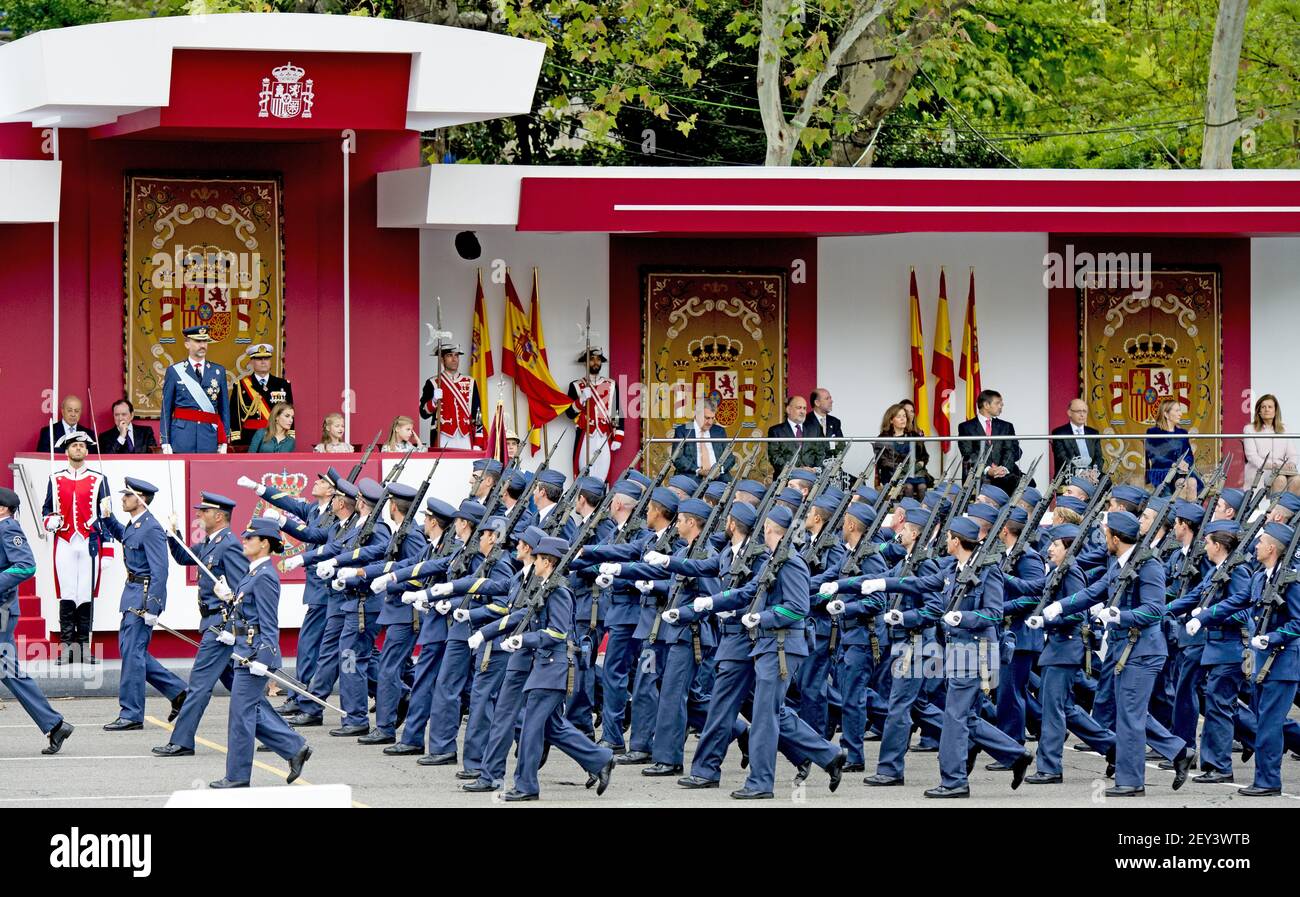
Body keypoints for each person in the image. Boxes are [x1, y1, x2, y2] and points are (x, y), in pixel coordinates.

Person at [496, 535, 616, 801]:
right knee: (553, 727)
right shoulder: (547, 586)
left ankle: (526, 785)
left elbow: (558, 633)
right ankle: (600, 759)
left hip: (553, 668)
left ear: (548, 561)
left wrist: (523, 639)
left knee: (530, 727)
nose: (534, 562)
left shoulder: (559, 591)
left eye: (538, 558)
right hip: (546, 665)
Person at [209, 516, 313, 788]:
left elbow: (268, 624)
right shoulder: (254, 571)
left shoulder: (265, 576)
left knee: (241, 716)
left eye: (250, 538)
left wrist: (263, 661)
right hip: (244, 651)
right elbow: (248, 617)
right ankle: (294, 747)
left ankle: (237, 776)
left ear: (265, 544)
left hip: (254, 657)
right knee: (250, 711)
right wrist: (232, 626)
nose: (244, 541)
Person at [152, 492, 249, 757]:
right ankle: (286, 737)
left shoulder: (229, 545)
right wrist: (174, 534)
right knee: (241, 685)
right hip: (211, 621)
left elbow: (243, 590)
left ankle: (182, 740)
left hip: (221, 626)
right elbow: (185, 558)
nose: (198, 515)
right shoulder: (211, 542)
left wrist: (234, 629)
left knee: (198, 684)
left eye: (203, 511)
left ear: (218, 516)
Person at [97, 477, 188, 731]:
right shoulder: (136, 524)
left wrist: (153, 607)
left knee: (133, 654)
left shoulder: (151, 528)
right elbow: (125, 538)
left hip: (143, 596)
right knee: (132, 652)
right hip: (132, 593)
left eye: (127, 495)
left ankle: (131, 713)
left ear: (141, 499)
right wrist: (107, 518)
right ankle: (179, 691)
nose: (123, 499)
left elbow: (161, 571)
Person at [0, 486, 76, 755]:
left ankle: (54, 724)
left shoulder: (7, 528)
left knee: (10, 672)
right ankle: (54, 725)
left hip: (3, 612)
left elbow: (26, 566)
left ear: (2, 508)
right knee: (9, 672)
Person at [41, 432, 112, 663]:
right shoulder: (55, 478)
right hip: (64, 541)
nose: (79, 449)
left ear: (87, 451)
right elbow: (46, 509)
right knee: (68, 593)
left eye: (82, 446)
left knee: (86, 594)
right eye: (75, 446)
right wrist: (49, 520)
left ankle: (84, 647)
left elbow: (107, 516)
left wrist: (108, 548)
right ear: (67, 451)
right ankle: (66, 648)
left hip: (90, 542)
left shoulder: (99, 478)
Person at [160, 325, 231, 454]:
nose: (203, 345)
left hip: (209, 436)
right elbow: (166, 409)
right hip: (182, 436)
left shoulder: (218, 371)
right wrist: (165, 441)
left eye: (205, 341)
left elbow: (224, 408)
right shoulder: (174, 371)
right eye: (198, 341)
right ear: (187, 344)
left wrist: (224, 439)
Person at [566, 347, 623, 483]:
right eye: (591, 359)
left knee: (602, 477)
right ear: (585, 363)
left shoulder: (611, 384)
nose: (595, 362)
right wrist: (581, 400)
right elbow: (569, 413)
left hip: (605, 435)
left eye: (598, 359)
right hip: (585, 435)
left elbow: (618, 412)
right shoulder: (576, 386)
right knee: (585, 475)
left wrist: (619, 437)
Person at [957, 389, 1025, 495]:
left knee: (1027, 485)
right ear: (986, 405)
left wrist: (1003, 468)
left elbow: (1010, 450)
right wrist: (988, 470)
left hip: (1004, 474)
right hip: (978, 474)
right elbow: (968, 454)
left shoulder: (1006, 426)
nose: (1001, 405)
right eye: (998, 403)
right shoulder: (966, 427)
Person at [419, 344, 483, 449]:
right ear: (442, 360)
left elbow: (478, 413)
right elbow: (423, 413)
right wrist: (434, 400)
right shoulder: (433, 382)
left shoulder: (470, 382)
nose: (454, 359)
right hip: (442, 435)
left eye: (456, 356)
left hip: (466, 435)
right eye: (449, 355)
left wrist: (478, 441)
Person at [231, 343, 293, 447]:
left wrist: (290, 436)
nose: (263, 362)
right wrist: (236, 438)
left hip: (277, 437)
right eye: (259, 359)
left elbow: (290, 412)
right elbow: (234, 414)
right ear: (251, 361)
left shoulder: (283, 384)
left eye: (267, 358)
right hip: (249, 438)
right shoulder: (241, 385)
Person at [1243, 394, 1300, 495]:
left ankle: (1290, 510)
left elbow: (1293, 455)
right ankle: (1275, 510)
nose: (1266, 410)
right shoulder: (1249, 429)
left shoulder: (1284, 429)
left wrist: (1291, 464)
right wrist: (1271, 466)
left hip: (1281, 469)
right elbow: (1251, 456)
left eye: (1270, 407)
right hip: (1260, 469)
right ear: (1259, 411)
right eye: (1263, 407)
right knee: (1280, 479)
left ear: (1275, 411)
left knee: (1297, 480)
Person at [873, 402, 931, 498]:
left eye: (904, 416)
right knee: (908, 487)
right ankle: (905, 512)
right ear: (891, 420)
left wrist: (919, 464)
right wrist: (905, 469)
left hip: (915, 474)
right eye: (899, 416)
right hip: (893, 474)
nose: (902, 419)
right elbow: (883, 462)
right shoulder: (883, 438)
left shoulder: (913, 435)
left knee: (922, 486)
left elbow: (924, 456)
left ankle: (921, 512)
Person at [1145, 398, 1200, 497]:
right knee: (1181, 483)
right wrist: (1175, 464)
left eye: (1180, 410)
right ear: (1166, 414)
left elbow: (1189, 455)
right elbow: (1154, 456)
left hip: (1181, 472)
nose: (1181, 414)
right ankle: (1178, 512)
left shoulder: (1182, 433)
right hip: (1162, 472)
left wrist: (1186, 463)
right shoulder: (1153, 432)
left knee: (1192, 482)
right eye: (1177, 410)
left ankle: (1191, 511)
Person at [672, 396, 734, 481]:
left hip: (719, 477)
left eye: (713, 418)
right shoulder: (683, 430)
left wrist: (719, 470)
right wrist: (699, 471)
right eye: (707, 418)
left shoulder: (719, 431)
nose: (710, 422)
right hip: (691, 476)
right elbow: (677, 458)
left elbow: (730, 457)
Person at [767, 394, 827, 473]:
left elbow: (821, 454)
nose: (802, 411)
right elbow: (775, 458)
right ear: (788, 410)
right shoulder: (776, 431)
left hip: (811, 478)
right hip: (786, 479)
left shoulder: (815, 429)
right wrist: (796, 470)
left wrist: (815, 469)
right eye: (799, 408)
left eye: (804, 408)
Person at [1050, 398, 1101, 478]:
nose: (1082, 415)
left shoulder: (1093, 433)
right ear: (1069, 413)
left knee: (1108, 482)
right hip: (1070, 475)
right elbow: (1062, 458)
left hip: (1092, 475)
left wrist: (1094, 472)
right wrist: (1082, 472)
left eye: (1084, 411)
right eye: (1078, 411)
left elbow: (1099, 457)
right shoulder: (1059, 433)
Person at [807, 388, 844, 454]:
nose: (831, 401)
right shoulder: (805, 421)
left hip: (831, 462)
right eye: (827, 399)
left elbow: (841, 446)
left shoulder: (835, 422)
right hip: (811, 463)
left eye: (830, 398)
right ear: (817, 403)